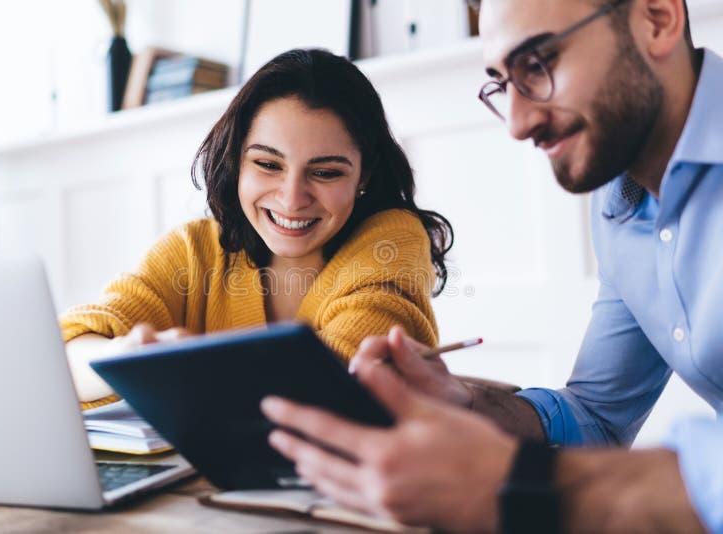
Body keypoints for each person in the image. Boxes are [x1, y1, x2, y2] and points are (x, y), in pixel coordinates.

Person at [262, 0, 723, 532]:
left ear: (657, 19)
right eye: (503, 83)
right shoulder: (620, 205)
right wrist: (466, 402)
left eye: (539, 64)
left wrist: (517, 482)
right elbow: (600, 416)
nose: (518, 123)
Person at [60, 48, 453, 408]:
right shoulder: (193, 251)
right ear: (237, 162)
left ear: (363, 175)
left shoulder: (392, 238)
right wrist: (125, 356)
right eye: (268, 164)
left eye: (326, 172)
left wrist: (173, 374)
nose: (292, 198)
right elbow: (64, 357)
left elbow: (339, 380)